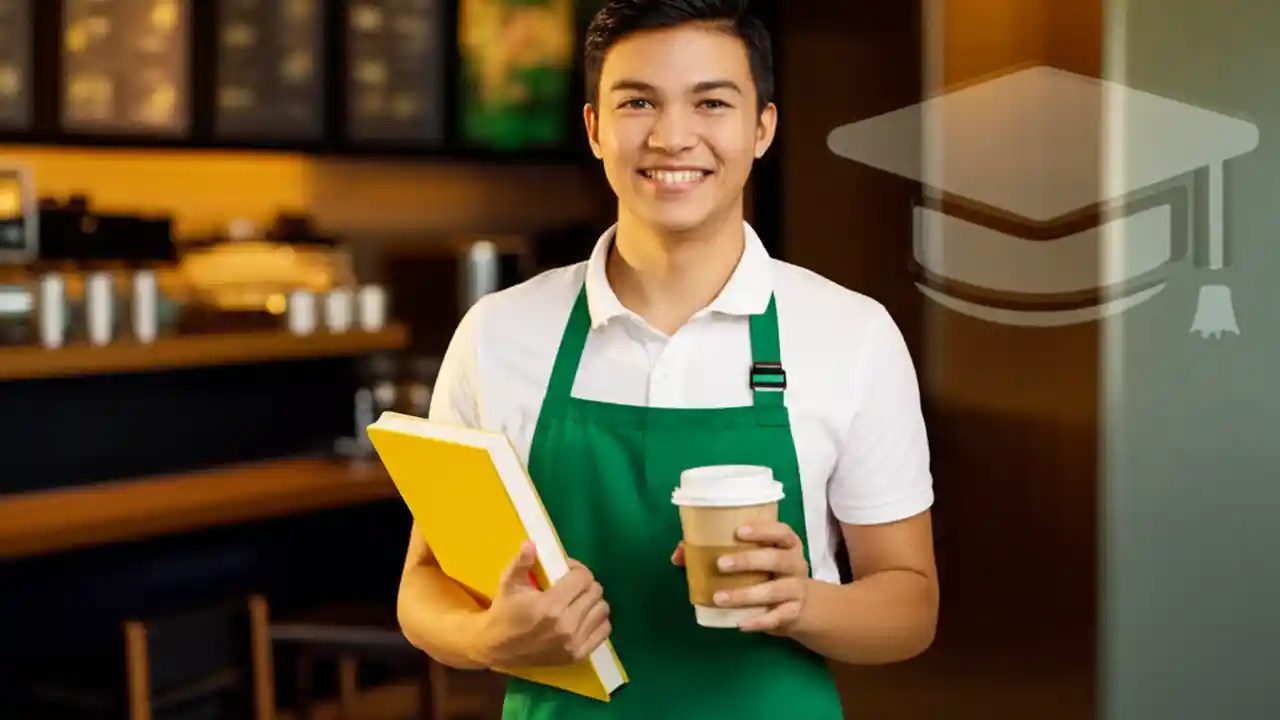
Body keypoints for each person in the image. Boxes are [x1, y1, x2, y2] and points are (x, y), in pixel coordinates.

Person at [396, 1, 939, 717]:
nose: (672, 136)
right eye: (637, 103)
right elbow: (425, 583)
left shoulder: (852, 335)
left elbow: (910, 606)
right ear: (594, 128)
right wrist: (486, 638)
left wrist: (800, 601)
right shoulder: (499, 335)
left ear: (762, 128)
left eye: (711, 102)